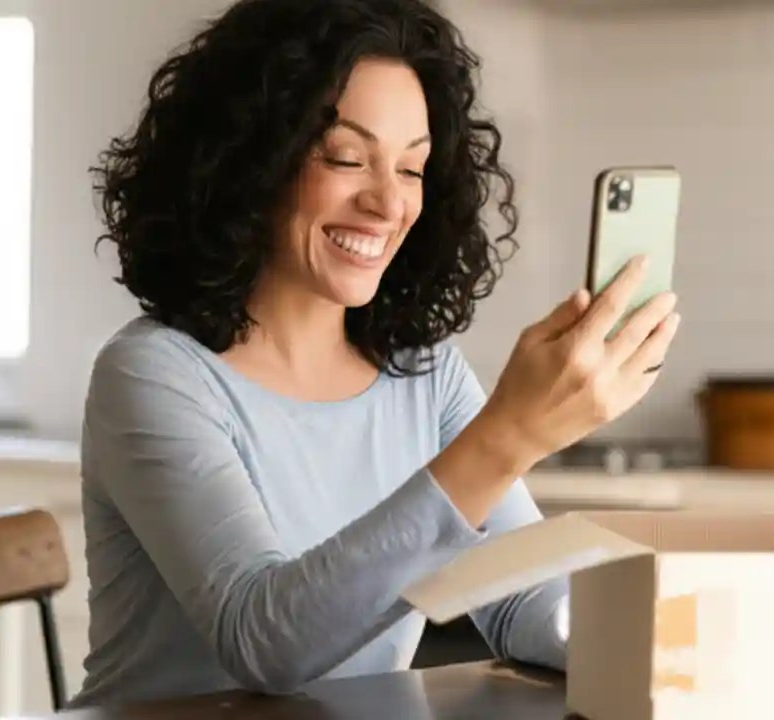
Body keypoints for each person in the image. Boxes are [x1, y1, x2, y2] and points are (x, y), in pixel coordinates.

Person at [70, 0, 681, 708]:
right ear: (247, 160)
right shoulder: (155, 374)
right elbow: (263, 641)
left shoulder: (426, 375)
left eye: (413, 170)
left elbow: (518, 601)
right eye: (346, 157)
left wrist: (673, 649)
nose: (389, 203)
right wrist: (507, 438)